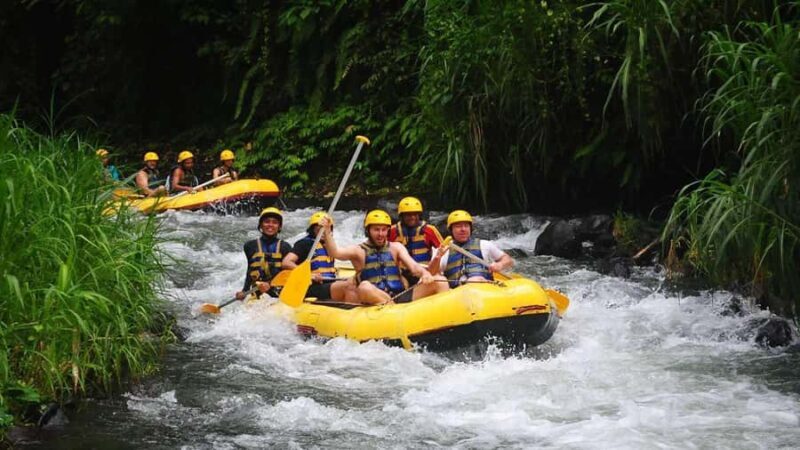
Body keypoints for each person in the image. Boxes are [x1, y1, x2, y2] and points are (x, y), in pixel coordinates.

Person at [320, 209, 448, 305]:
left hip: (400, 296)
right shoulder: (358, 251)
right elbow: (335, 253)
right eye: (376, 229)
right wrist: (327, 232)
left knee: (439, 280)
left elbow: (414, 267)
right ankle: (392, 310)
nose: (381, 234)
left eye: (384, 230)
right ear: (368, 231)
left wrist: (424, 273)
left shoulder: (396, 247)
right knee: (364, 287)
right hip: (375, 299)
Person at [281, 212, 359, 302]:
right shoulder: (305, 244)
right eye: (319, 230)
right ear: (313, 230)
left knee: (354, 283)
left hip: (328, 283)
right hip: (311, 286)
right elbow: (286, 262)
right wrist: (308, 275)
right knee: (348, 286)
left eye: (326, 230)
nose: (323, 233)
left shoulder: (329, 245)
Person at [429, 210, 514, 287]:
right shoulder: (443, 250)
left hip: (483, 287)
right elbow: (431, 273)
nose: (463, 229)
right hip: (456, 292)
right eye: (458, 226)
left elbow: (508, 260)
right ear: (451, 230)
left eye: (466, 226)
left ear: (471, 228)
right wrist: (437, 257)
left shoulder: (484, 244)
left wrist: (500, 265)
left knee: (474, 280)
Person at [235, 207, 293, 300]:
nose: (270, 225)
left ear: (279, 226)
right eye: (267, 221)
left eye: (275, 222)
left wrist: (269, 284)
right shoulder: (250, 246)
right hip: (257, 291)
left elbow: (289, 274)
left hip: (277, 292)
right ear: (261, 225)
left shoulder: (285, 247)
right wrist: (244, 291)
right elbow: (250, 270)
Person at [389, 196, 444, 285]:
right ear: (401, 216)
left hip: (424, 272)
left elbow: (443, 251)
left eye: (415, 214)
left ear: (419, 215)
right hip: (401, 273)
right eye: (408, 215)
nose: (412, 217)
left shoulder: (429, 230)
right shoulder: (392, 231)